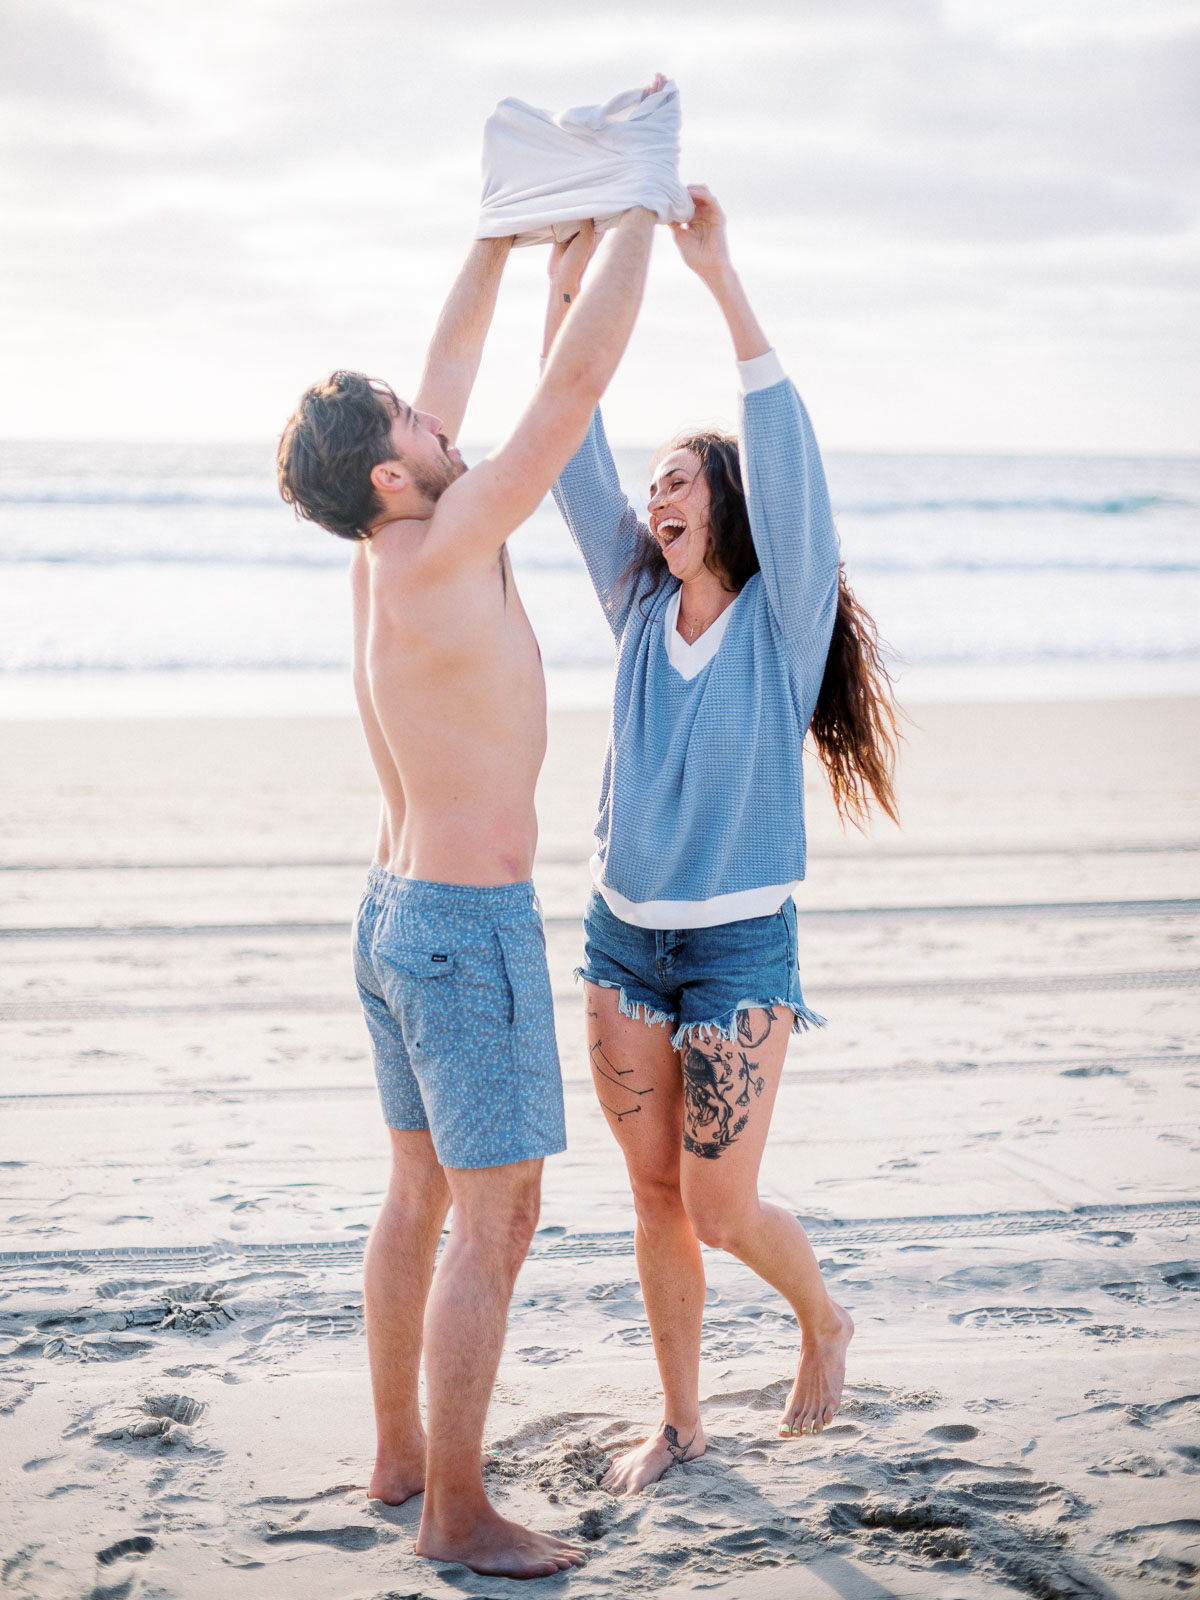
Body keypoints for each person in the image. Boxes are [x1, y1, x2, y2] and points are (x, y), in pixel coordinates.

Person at [276, 204, 656, 1577]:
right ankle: (454, 1510)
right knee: (496, 1216)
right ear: (392, 477)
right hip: (462, 934)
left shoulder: (385, 555)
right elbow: (573, 392)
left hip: (388, 918)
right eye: (422, 431)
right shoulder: (445, 543)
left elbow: (443, 384)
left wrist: (501, 245)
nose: (450, 428)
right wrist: (644, 211)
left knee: (416, 1195)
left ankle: (396, 1456)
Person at [543, 186, 899, 1494]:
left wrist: (718, 274)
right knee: (650, 1199)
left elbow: (788, 454)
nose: (656, 495)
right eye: (657, 484)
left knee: (720, 1203)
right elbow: (568, 446)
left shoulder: (782, 618)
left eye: (681, 480)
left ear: (730, 507)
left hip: (741, 942)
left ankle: (822, 1318)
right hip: (619, 936)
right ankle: (683, 1421)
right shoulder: (637, 602)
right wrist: (559, 295)